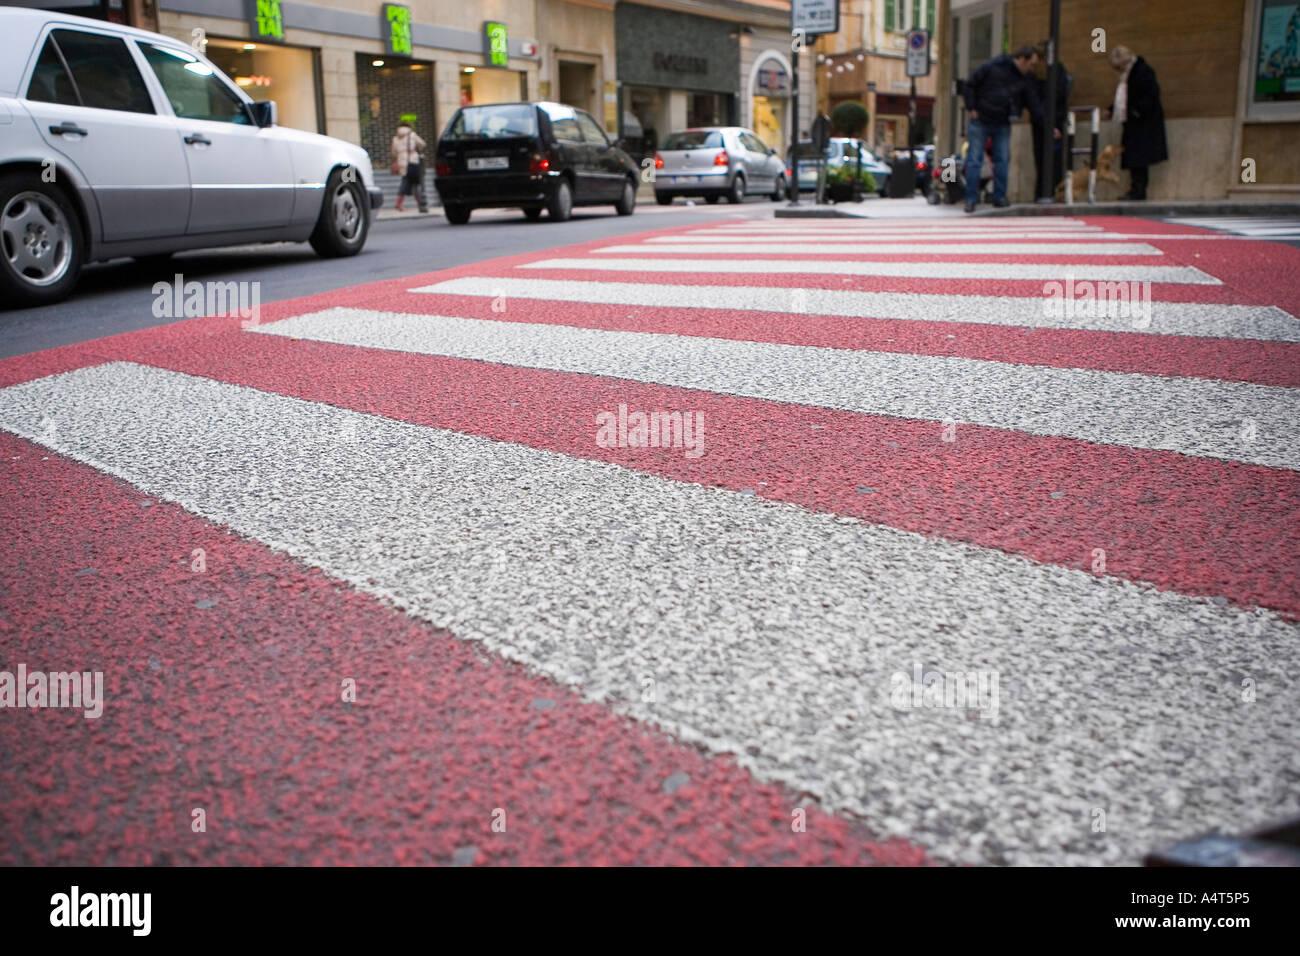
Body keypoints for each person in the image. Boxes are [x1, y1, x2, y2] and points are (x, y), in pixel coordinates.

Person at [961, 45, 1051, 212]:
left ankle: (999, 197)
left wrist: (1048, 125)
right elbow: (970, 84)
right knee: (974, 160)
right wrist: (972, 108)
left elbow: (1034, 105)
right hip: (981, 118)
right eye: (1031, 64)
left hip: (1002, 121)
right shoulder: (994, 66)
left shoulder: (1025, 79)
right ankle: (971, 199)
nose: (1032, 68)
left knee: (1002, 159)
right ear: (1022, 59)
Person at [1102, 46, 1167, 200]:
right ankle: (1136, 189)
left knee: (1139, 158)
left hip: (1142, 123)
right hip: (1134, 121)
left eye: (1118, 67)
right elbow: (1125, 98)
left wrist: (1136, 111)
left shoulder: (1142, 72)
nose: (1117, 70)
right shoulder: (1130, 74)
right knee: (1134, 157)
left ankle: (1138, 190)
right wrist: (1112, 110)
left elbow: (1150, 95)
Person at [1031, 51, 1071, 200]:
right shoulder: (1046, 77)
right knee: (1046, 159)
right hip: (1046, 122)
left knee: (1051, 159)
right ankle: (1047, 191)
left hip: (1051, 122)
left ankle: (1049, 192)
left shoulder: (1056, 74)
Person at [390, 120, 428, 213]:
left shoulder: (395, 138)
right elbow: (423, 144)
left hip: (402, 162)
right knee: (414, 183)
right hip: (413, 162)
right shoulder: (412, 135)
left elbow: (393, 152)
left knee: (407, 181)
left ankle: (402, 204)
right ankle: (419, 203)